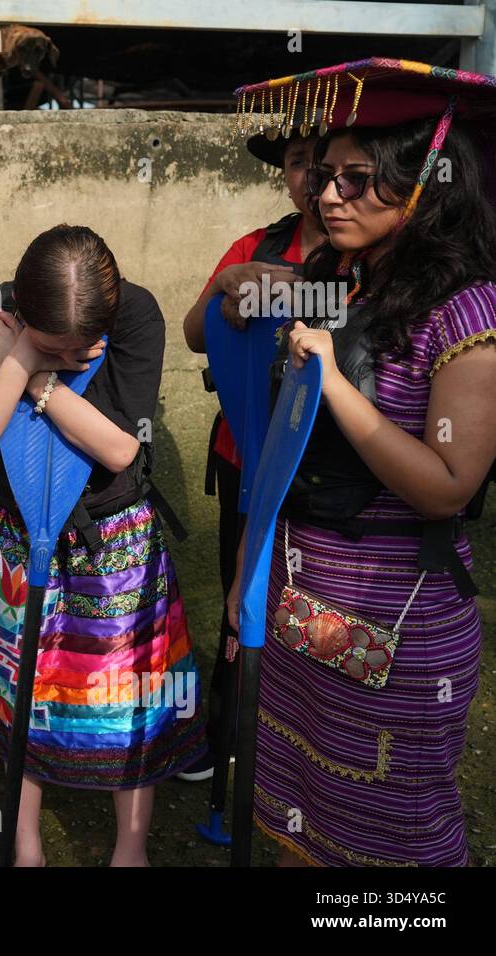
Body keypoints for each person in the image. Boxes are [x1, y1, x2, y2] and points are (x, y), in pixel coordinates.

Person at [226, 59, 496, 866]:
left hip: (397, 625)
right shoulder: (338, 285)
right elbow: (232, 320)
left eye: (357, 180)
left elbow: (448, 487)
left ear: (426, 188)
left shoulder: (470, 311)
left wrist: (332, 382)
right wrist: (248, 574)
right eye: (324, 177)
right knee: (294, 816)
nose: (327, 196)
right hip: (298, 599)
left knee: (390, 842)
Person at [0, 224, 206, 866]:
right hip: (19, 536)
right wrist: (22, 356)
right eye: (55, 342)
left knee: (128, 688)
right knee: (17, 684)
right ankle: (24, 841)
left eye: (83, 345)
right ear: (23, 311)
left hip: (113, 538)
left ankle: (130, 847)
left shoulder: (136, 313)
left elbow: (118, 447)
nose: (74, 352)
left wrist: (33, 380)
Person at [177, 131, 324, 783]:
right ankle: (222, 737)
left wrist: (280, 288)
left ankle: (302, 748)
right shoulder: (253, 246)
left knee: (314, 621)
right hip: (245, 459)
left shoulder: (370, 253)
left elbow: (354, 310)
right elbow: (193, 332)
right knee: (241, 606)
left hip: (326, 475)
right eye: (298, 164)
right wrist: (235, 281)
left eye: (329, 165)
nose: (313, 178)